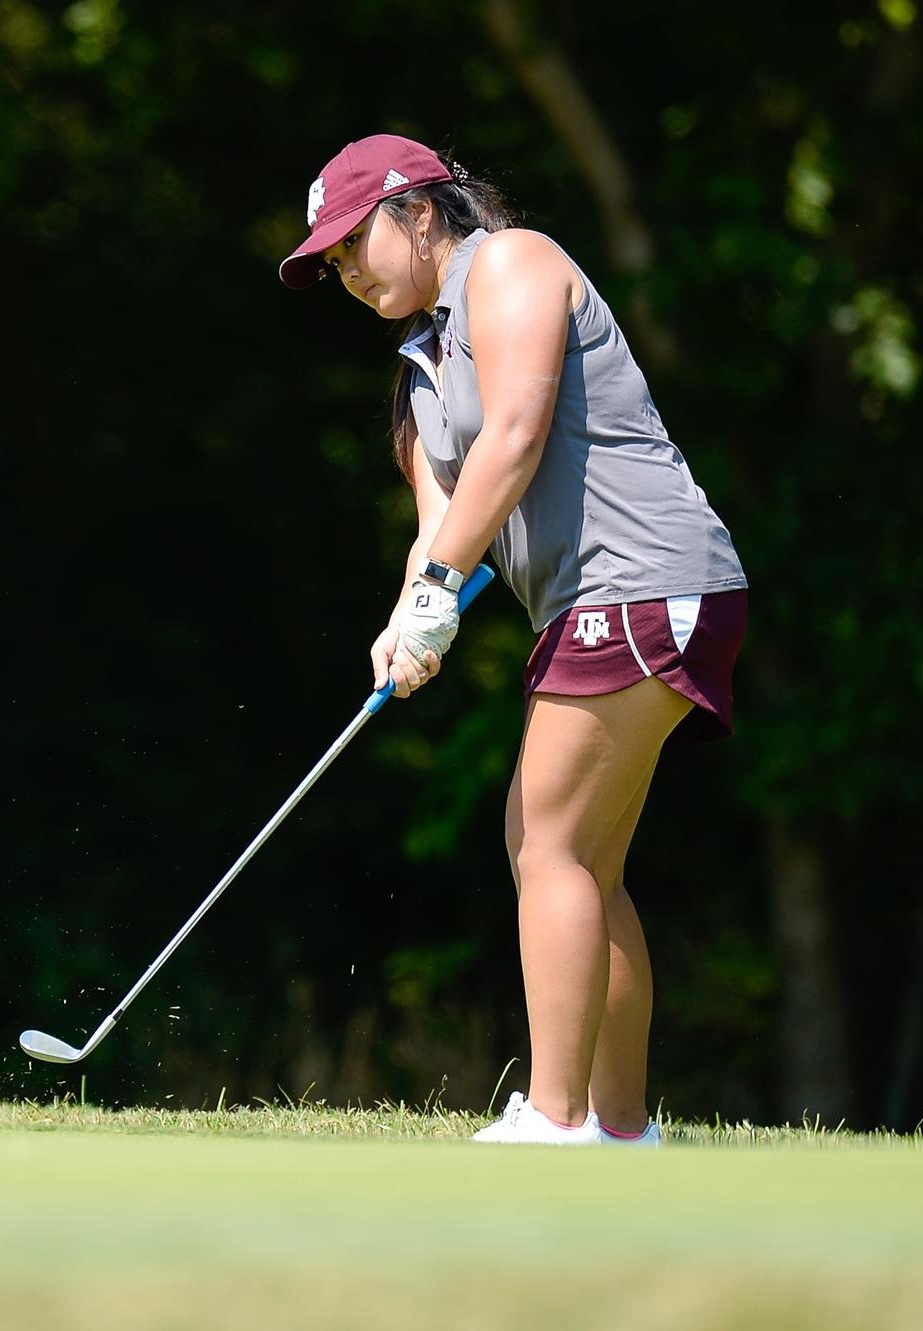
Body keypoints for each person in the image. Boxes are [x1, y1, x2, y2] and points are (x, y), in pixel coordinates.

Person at [279, 134, 749, 1146]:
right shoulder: (419, 370)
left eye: (354, 241)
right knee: (580, 859)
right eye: (330, 262)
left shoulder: (511, 262)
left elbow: (518, 431)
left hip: (641, 579)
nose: (347, 272)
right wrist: (408, 620)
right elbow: (436, 525)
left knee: (543, 841)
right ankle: (621, 1130)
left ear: (416, 211)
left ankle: (558, 1112)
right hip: (609, 601)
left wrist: (445, 585)